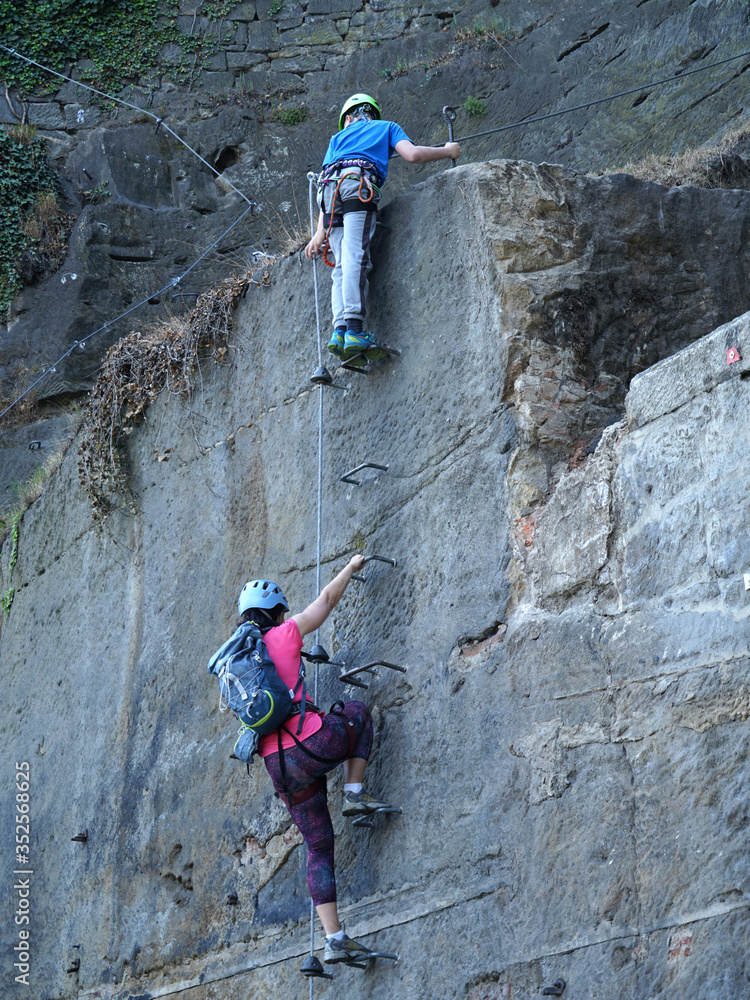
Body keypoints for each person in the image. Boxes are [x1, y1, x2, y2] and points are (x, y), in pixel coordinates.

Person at [236, 556, 389, 964]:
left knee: (318, 845)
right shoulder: (283, 635)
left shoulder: (239, 664)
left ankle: (334, 938)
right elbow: (324, 601)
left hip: (279, 768)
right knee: (357, 714)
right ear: (275, 613)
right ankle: (354, 792)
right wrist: (352, 567)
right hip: (309, 743)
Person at [305, 92, 461, 363]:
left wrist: (320, 231)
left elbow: (325, 179)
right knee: (355, 256)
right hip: (357, 186)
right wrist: (448, 151)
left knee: (341, 265)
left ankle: (339, 331)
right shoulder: (386, 127)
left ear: (349, 117)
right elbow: (412, 155)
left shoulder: (336, 139)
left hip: (330, 195)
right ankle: (354, 330)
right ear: (370, 114)